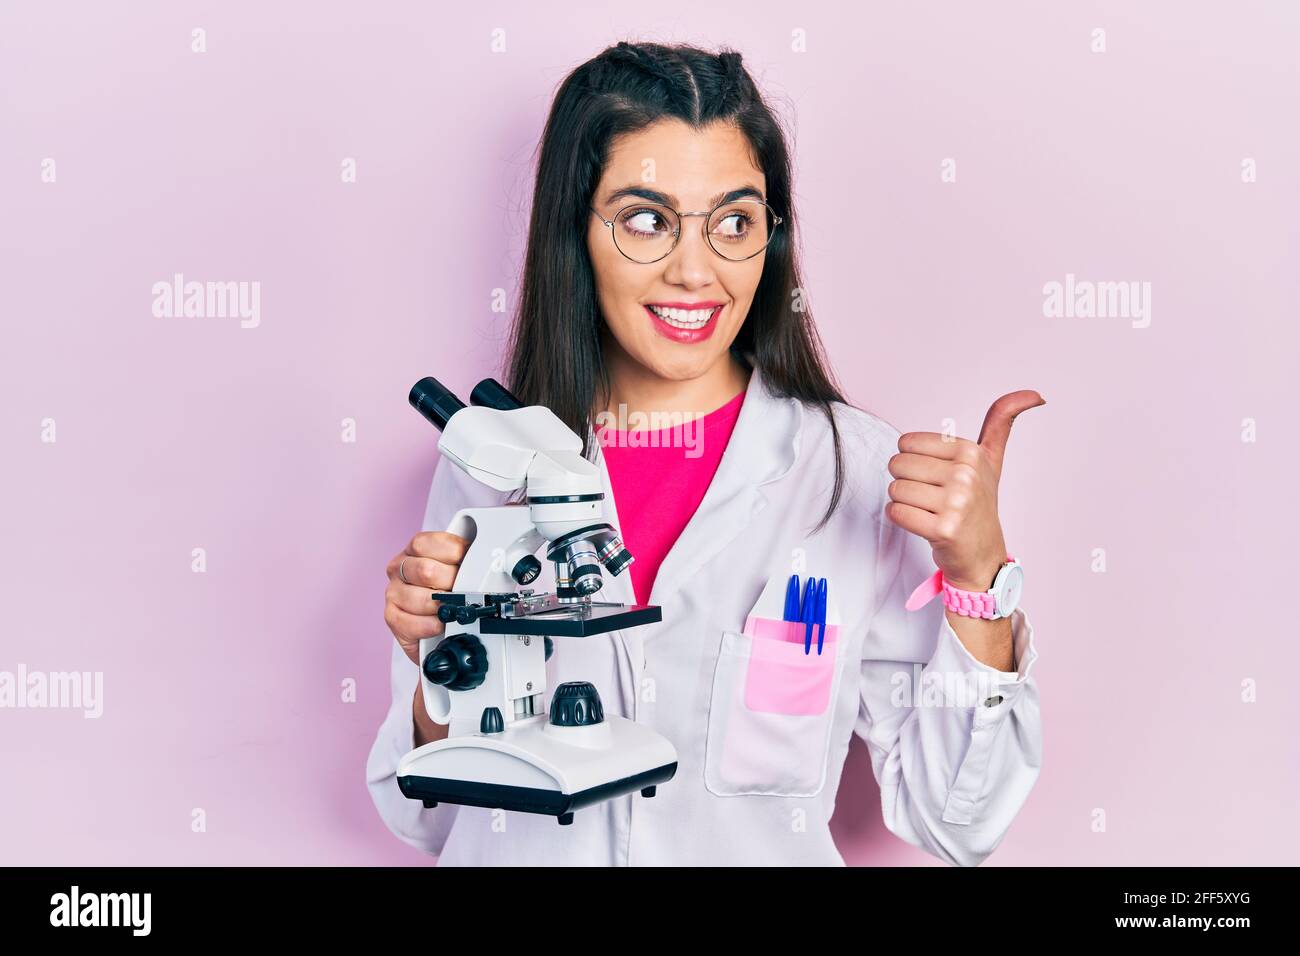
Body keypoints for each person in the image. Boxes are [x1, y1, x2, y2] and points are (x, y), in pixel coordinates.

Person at [368, 40, 1043, 866]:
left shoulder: (853, 475)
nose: (697, 272)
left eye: (733, 222)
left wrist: (979, 583)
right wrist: (440, 659)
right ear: (572, 233)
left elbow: (957, 823)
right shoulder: (491, 467)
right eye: (646, 220)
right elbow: (429, 819)